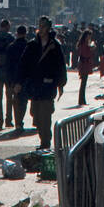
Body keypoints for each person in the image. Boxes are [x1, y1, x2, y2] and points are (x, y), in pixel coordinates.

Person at [18, 16, 66, 151]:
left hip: (48, 86)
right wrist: (19, 81)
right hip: (35, 86)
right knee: (36, 115)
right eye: (40, 25)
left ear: (49, 28)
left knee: (45, 116)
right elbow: (23, 64)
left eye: (44, 26)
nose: (42, 28)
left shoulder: (55, 45)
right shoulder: (32, 45)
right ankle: (43, 138)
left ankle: (45, 143)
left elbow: (60, 65)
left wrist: (61, 84)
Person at [7, 25, 28, 131]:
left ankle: (17, 122)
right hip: (25, 78)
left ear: (17, 33)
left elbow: (8, 64)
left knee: (16, 101)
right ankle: (20, 120)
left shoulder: (11, 46)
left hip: (14, 78)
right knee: (23, 101)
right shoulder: (28, 46)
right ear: (25, 33)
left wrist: (10, 80)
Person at [77, 28, 96, 105]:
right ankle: (81, 100)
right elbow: (85, 54)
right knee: (83, 83)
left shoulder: (85, 43)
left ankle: (82, 99)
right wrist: (91, 49)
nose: (89, 38)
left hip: (85, 63)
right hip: (84, 63)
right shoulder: (83, 44)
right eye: (88, 36)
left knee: (84, 83)